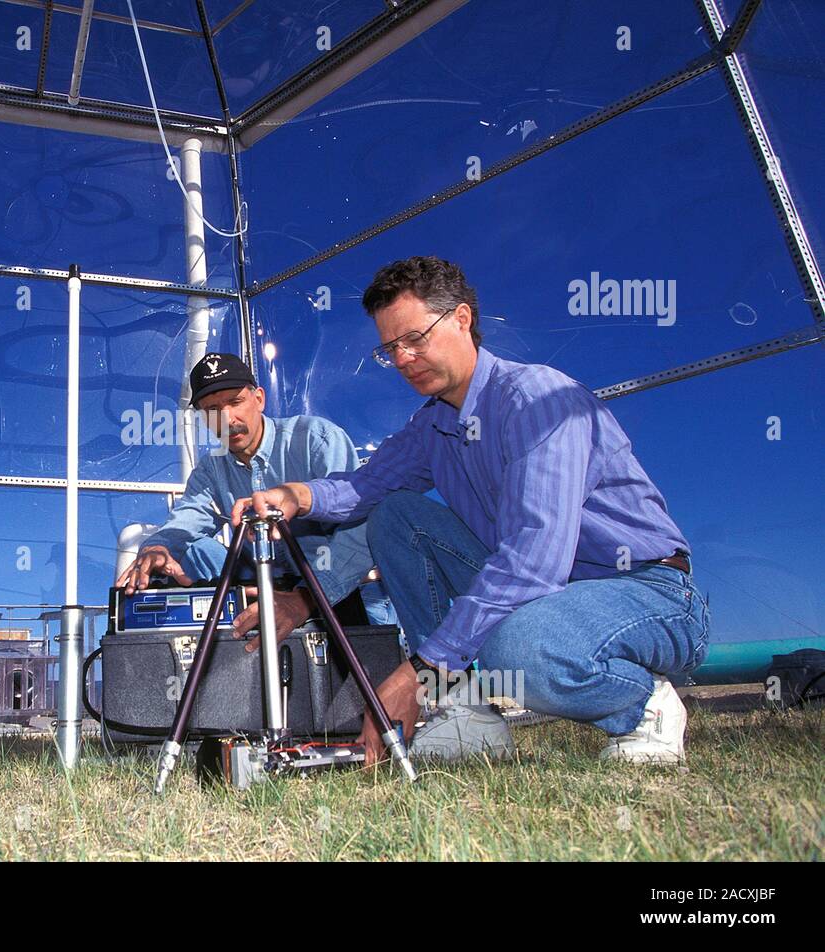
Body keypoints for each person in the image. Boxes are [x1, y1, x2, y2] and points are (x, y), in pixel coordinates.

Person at [233, 256, 710, 764]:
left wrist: (420, 670)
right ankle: (466, 714)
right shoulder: (433, 424)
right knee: (396, 515)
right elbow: (365, 486)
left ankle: (644, 708)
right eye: (391, 348)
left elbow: (532, 560)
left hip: (645, 590)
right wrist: (296, 497)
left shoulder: (539, 399)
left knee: (517, 651)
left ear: (461, 319)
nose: (403, 358)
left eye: (415, 338)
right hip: (554, 598)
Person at [116, 352, 392, 642]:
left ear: (259, 399)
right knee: (196, 549)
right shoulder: (211, 469)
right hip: (268, 592)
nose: (227, 419)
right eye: (211, 410)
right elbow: (186, 521)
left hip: (345, 590)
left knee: (361, 681)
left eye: (235, 402)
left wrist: (306, 597)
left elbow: (358, 530)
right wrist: (156, 548)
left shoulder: (316, 439)